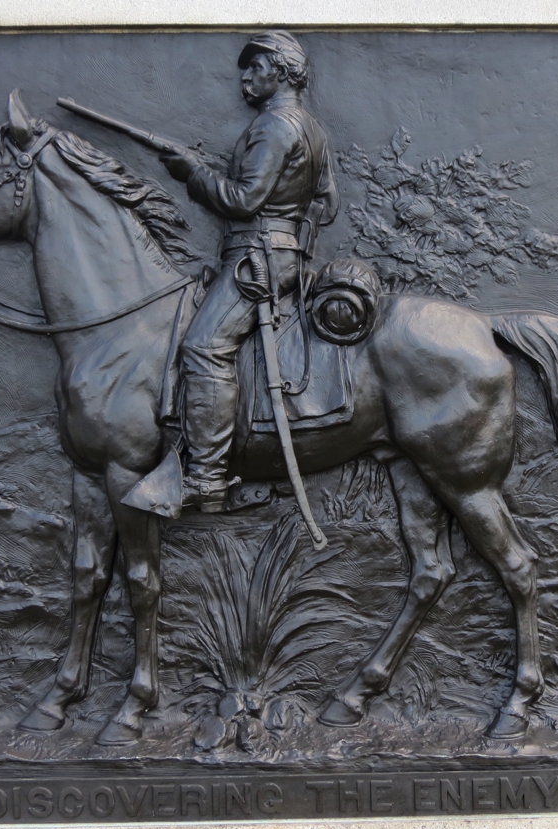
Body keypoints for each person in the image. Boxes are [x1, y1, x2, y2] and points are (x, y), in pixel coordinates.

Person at [160, 30, 338, 512]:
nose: (244, 77)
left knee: (204, 347)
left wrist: (192, 173)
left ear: (279, 70)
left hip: (255, 259)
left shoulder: (273, 126)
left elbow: (243, 201)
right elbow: (327, 204)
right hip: (283, 256)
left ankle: (206, 479)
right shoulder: (312, 128)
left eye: (254, 67)